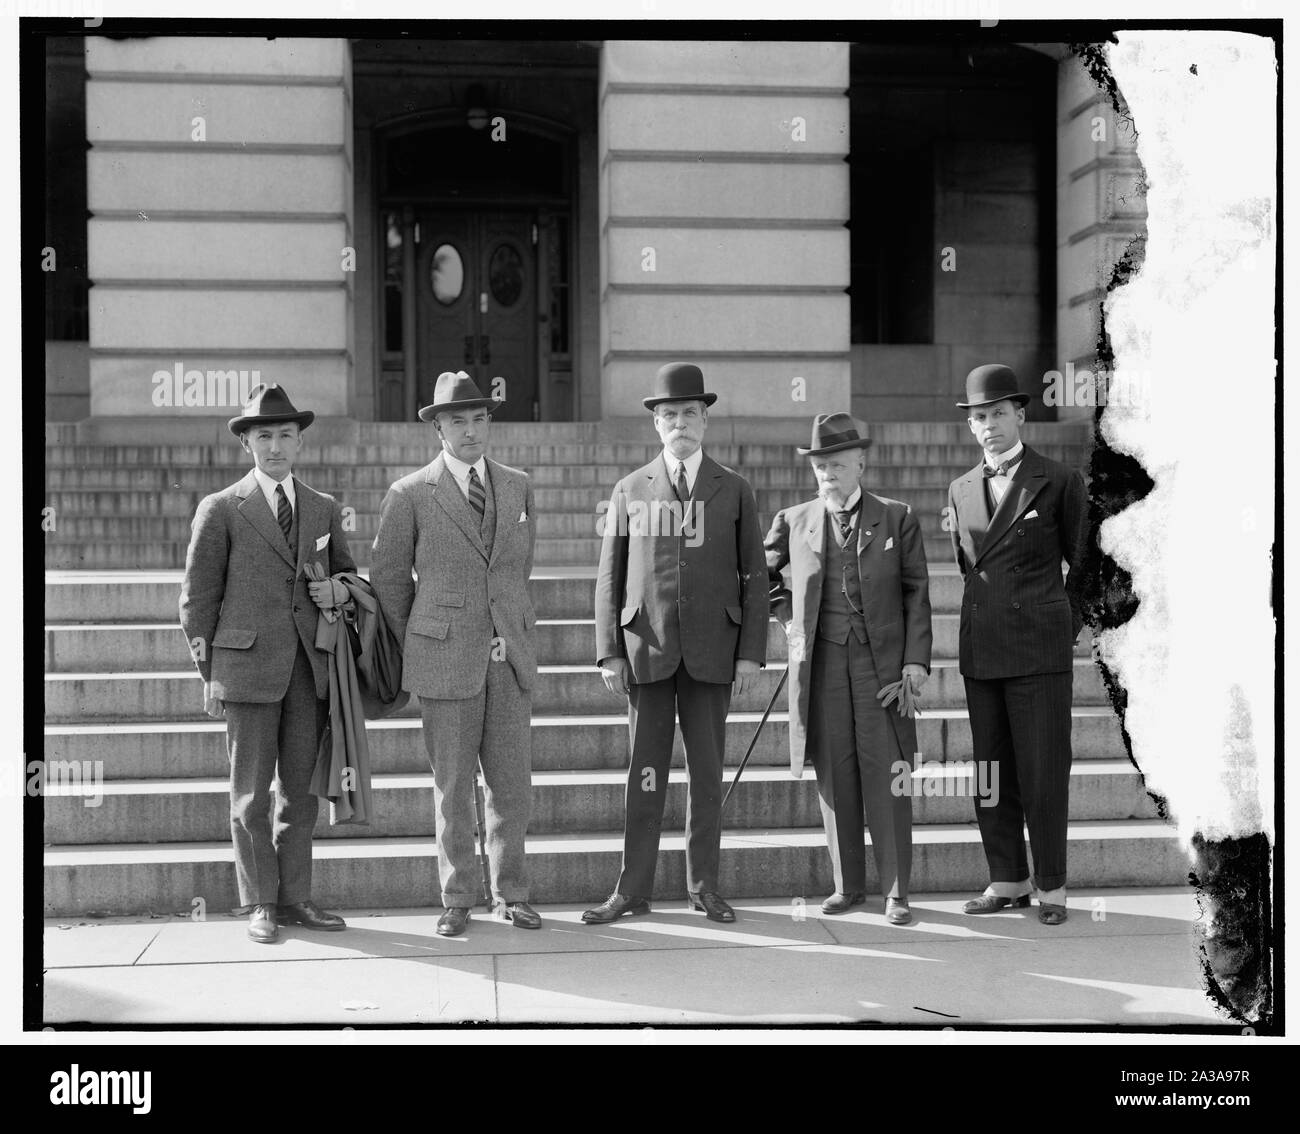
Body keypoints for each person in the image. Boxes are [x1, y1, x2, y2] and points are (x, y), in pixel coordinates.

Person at [584, 362, 768, 925]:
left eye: (690, 413)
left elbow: (754, 575)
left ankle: (703, 885)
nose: (679, 423)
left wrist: (750, 652)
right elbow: (609, 576)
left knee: (707, 776)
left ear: (706, 419)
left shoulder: (733, 488)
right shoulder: (629, 488)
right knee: (645, 775)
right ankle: (631, 888)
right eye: (669, 414)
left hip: (714, 651)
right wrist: (609, 649)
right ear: (656, 424)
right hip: (648, 649)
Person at [179, 384, 355, 944]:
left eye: (284, 435)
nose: (274, 446)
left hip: (309, 668)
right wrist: (210, 675)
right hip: (245, 668)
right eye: (263, 436)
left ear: (300, 441)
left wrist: (339, 592)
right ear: (246, 444)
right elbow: (197, 599)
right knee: (251, 792)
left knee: (300, 792)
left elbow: (348, 577)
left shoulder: (324, 507)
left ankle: (296, 897)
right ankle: (259, 902)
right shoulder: (222, 508)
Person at [369, 371, 540, 937]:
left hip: (506, 656)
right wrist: (425, 634)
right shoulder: (411, 493)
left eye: (479, 419)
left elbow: (516, 571)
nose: (470, 431)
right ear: (438, 428)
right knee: (453, 787)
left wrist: (507, 627)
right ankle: (458, 896)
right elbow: (390, 578)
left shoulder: (517, 486)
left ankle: (511, 893)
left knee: (511, 783)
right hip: (444, 658)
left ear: (489, 422)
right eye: (457, 421)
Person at [764, 413, 933, 925]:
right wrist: (788, 619)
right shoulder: (793, 520)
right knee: (835, 772)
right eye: (820, 465)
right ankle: (848, 886)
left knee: (887, 773)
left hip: (881, 666)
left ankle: (897, 891)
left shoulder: (897, 517)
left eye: (837, 463)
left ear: (861, 461)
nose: (827, 473)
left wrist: (916, 661)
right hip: (822, 664)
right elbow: (758, 575)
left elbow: (917, 593)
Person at [945, 364, 1089, 925]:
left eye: (997, 413)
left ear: (1020, 415)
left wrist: (1062, 624)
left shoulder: (1056, 478)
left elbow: (1087, 565)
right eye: (978, 417)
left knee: (1043, 770)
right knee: (991, 773)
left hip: (1039, 651)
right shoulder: (959, 489)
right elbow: (969, 568)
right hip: (983, 650)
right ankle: (1007, 879)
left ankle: (1051, 888)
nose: (988, 425)